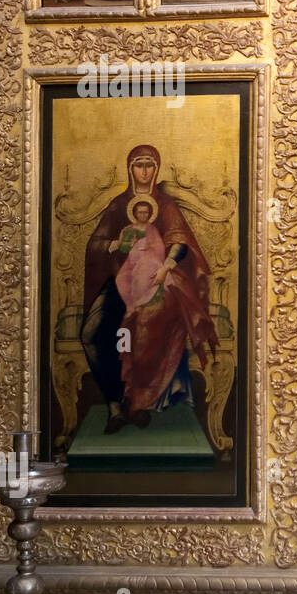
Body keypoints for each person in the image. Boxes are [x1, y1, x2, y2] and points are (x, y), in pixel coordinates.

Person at [81, 145, 219, 437]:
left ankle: (134, 403)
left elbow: (180, 240)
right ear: (129, 169)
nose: (143, 171)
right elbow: (96, 243)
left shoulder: (166, 205)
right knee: (91, 334)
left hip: (157, 283)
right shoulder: (119, 205)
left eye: (149, 165)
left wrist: (166, 266)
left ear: (156, 169)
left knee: (143, 326)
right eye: (138, 165)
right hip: (121, 282)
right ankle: (115, 403)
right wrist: (111, 245)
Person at [112, 198, 167, 316]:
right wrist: (132, 245)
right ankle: (131, 306)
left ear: (150, 214)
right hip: (132, 262)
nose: (143, 215)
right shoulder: (128, 230)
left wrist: (148, 247)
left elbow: (160, 247)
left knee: (143, 273)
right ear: (135, 213)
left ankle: (143, 303)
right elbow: (122, 248)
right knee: (120, 279)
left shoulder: (152, 229)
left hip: (151, 261)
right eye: (140, 212)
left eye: (146, 212)